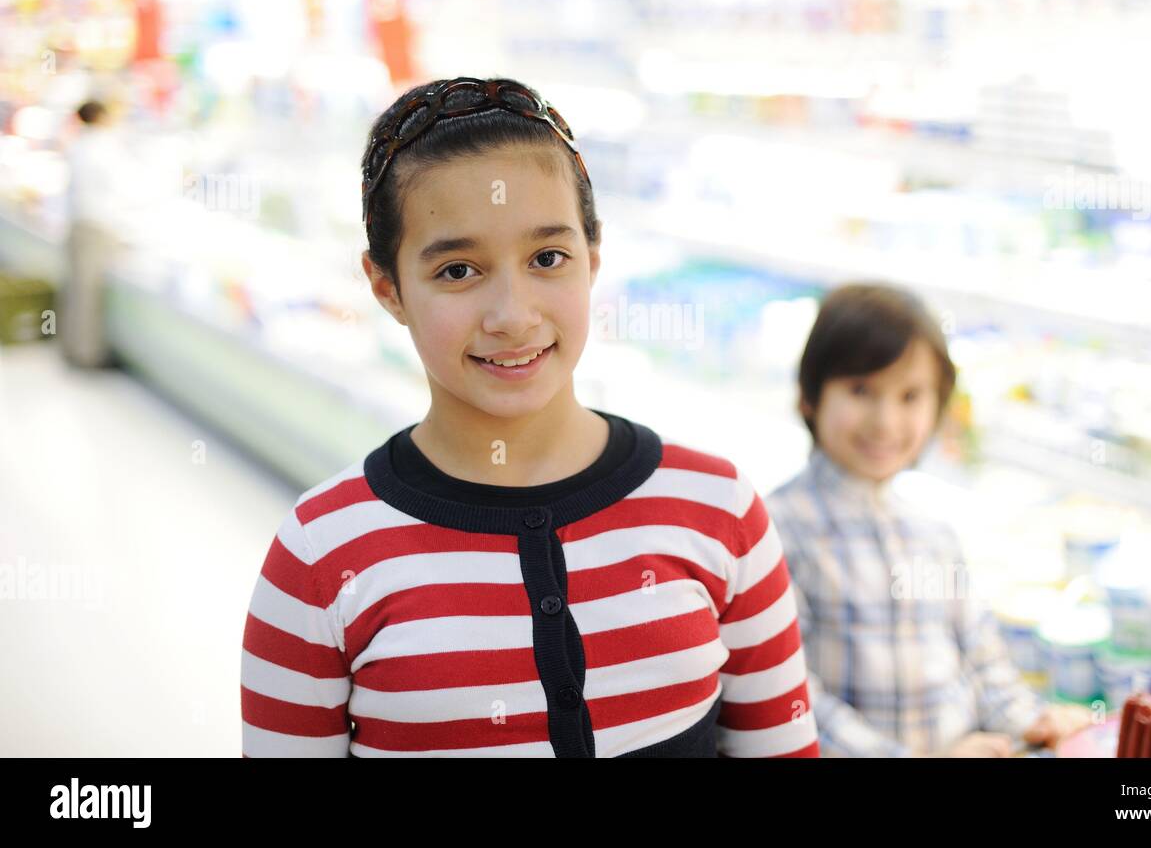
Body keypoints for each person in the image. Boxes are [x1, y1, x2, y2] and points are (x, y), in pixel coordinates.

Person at [238, 77, 821, 757]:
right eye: (458, 270)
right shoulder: (319, 555)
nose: (513, 315)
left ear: (593, 259)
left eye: (548, 258)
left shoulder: (720, 511)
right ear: (387, 286)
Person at [763, 283, 1092, 757]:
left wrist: (1031, 721)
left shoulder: (933, 533)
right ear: (809, 395)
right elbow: (794, 699)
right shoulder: (776, 532)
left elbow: (982, 658)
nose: (886, 422)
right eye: (861, 390)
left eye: (911, 396)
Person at [58, 98, 131, 368]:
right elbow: (124, 185)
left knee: (75, 288)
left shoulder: (79, 145)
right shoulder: (104, 146)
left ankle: (71, 345)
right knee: (89, 291)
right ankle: (88, 354)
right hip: (97, 224)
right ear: (101, 116)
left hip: (78, 221)